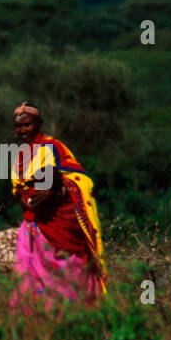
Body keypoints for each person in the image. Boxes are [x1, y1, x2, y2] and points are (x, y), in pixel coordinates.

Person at [9, 102, 106, 311]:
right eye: (18, 126)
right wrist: (25, 199)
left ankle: (72, 325)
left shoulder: (54, 147)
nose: (22, 130)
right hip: (31, 229)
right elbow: (18, 188)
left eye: (27, 124)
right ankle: (34, 330)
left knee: (66, 283)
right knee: (27, 283)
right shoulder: (19, 157)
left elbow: (82, 180)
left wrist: (54, 191)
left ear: (39, 124)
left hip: (58, 229)